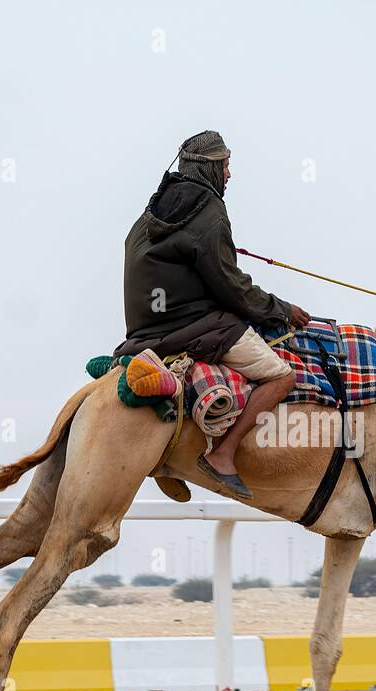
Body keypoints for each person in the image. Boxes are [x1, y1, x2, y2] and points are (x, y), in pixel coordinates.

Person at [116, 130, 311, 499]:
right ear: (209, 168)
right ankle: (222, 455)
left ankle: (167, 452)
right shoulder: (208, 209)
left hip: (142, 331)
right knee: (282, 376)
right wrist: (282, 310)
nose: (229, 174)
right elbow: (231, 286)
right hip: (190, 327)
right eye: (226, 165)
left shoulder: (154, 208)